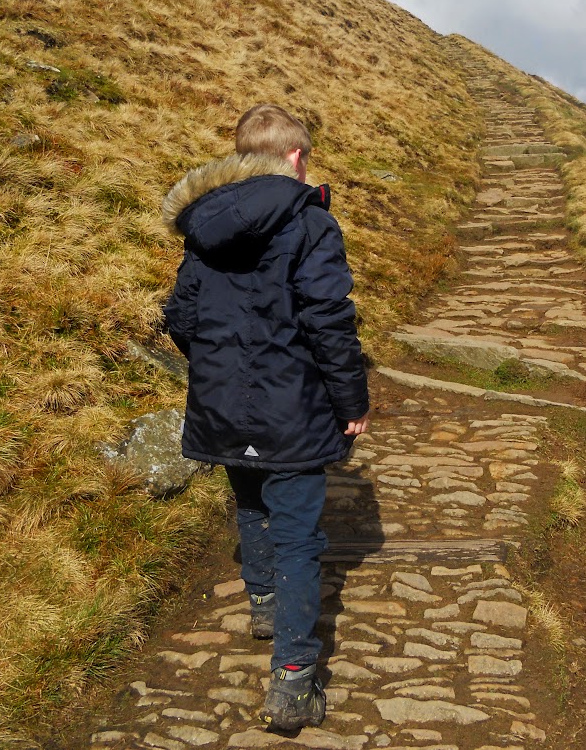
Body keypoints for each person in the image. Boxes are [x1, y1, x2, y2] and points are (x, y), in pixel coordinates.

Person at [161, 103, 370, 730]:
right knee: (300, 535)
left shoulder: (207, 227)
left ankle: (263, 602)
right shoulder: (311, 224)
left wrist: (221, 369)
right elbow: (329, 321)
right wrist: (351, 401)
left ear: (242, 155)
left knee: (251, 502)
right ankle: (293, 680)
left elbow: (182, 318)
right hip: (293, 410)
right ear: (297, 157)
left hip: (224, 406)